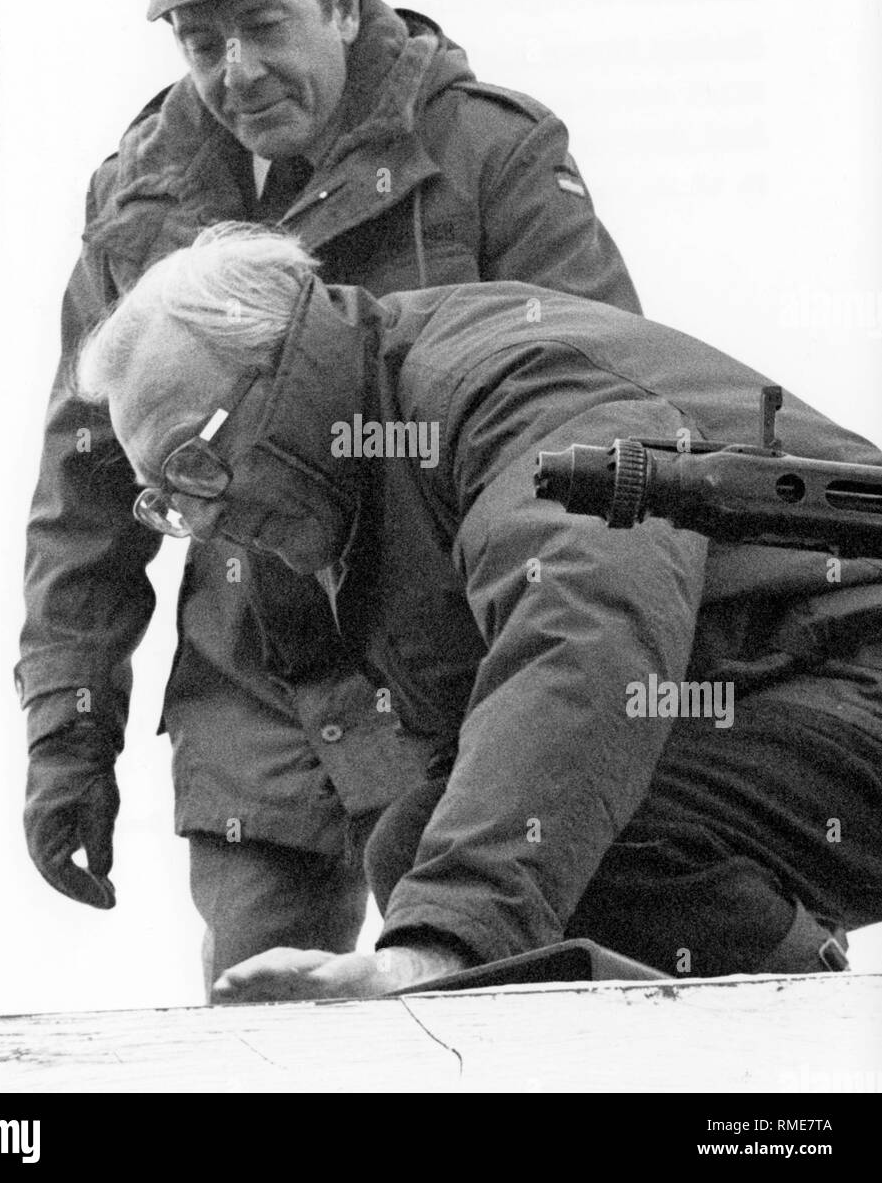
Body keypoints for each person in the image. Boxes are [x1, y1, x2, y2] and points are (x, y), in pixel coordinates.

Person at [17, 0, 641, 996]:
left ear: (343, 3)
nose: (238, 71)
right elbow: (86, 491)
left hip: (456, 664)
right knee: (266, 1023)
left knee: (501, 985)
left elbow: (599, 412)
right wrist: (69, 733)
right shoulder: (134, 208)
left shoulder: (488, 152)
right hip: (255, 694)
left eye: (265, 25)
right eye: (203, 44)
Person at [72, 221, 882, 1002]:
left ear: (281, 364)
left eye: (194, 461)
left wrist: (437, 947)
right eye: (168, 498)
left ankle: (801, 1050)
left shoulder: (505, 380)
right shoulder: (351, 499)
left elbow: (582, 639)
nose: (202, 519)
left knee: (548, 861)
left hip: (853, 663)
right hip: (784, 694)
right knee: (417, 849)